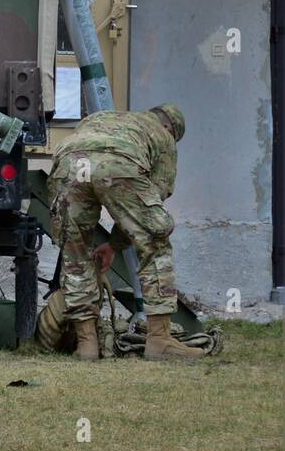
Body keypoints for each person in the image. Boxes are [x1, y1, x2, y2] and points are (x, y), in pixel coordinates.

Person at [48, 103, 204, 360]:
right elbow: (157, 192)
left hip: (69, 163)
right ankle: (160, 340)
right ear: (170, 128)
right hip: (118, 163)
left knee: (75, 254)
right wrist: (121, 240)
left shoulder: (104, 118)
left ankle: (87, 345)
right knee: (156, 242)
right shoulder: (163, 135)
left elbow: (89, 157)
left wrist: (112, 245)